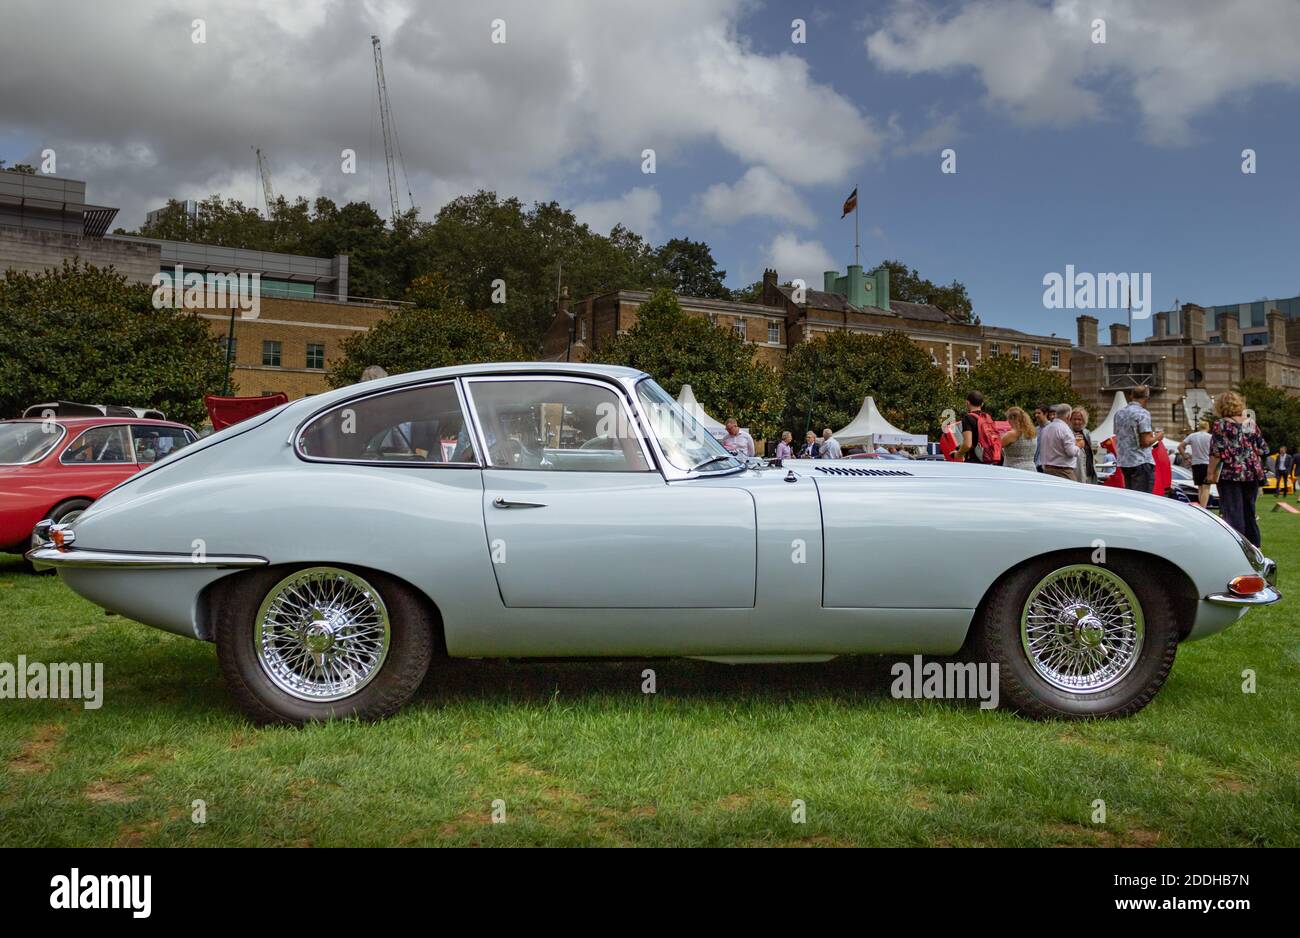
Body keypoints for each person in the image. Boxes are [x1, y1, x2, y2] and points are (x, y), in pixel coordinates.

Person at [1208, 391, 1269, 547]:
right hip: (1252, 471)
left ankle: (1238, 547)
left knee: (1233, 511)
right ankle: (1255, 547)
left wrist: (1210, 473)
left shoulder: (1221, 424)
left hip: (1231, 472)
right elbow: (1263, 448)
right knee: (1250, 511)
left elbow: (1217, 451)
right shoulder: (1250, 423)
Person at [1113, 384, 1161, 493]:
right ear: (1147, 398)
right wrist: (1158, 437)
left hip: (1125, 462)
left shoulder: (1119, 414)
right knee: (1144, 499)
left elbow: (1117, 436)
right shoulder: (1143, 413)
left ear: (1131, 396)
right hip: (1141, 462)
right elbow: (1145, 442)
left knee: (1132, 499)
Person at [954, 391, 999, 464]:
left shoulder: (968, 418)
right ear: (982, 404)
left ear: (967, 403)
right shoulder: (987, 417)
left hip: (974, 461)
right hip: (988, 457)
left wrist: (958, 454)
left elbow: (967, 444)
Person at [1038, 403, 1081, 479]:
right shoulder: (1065, 429)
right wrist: (1079, 446)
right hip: (1063, 471)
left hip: (1047, 470)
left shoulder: (1046, 429)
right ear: (1068, 416)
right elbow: (1071, 452)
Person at [1179, 419, 1214, 507]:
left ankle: (1201, 506)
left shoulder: (1192, 436)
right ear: (1208, 427)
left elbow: (1180, 446)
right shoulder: (1210, 437)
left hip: (1195, 463)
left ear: (1199, 427)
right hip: (1207, 463)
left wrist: (1186, 457)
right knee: (1206, 487)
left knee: (1200, 488)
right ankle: (1203, 507)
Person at [1000, 406, 1038, 471]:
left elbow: (996, 447)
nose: (1007, 421)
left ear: (1012, 418)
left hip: (1014, 470)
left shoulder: (1011, 434)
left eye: (1008, 419)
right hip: (1031, 469)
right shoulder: (1032, 432)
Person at [1069, 407, 1097, 483]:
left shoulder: (1086, 433)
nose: (1076, 422)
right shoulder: (1068, 433)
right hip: (1076, 472)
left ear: (1084, 421)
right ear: (1070, 420)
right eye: (1074, 419)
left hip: (1089, 471)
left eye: (1079, 419)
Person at [1032, 404, 1052, 472]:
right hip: (1036, 464)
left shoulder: (1052, 428)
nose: (1036, 415)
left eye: (1039, 413)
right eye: (1035, 413)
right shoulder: (1035, 429)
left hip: (1047, 465)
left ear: (1046, 414)